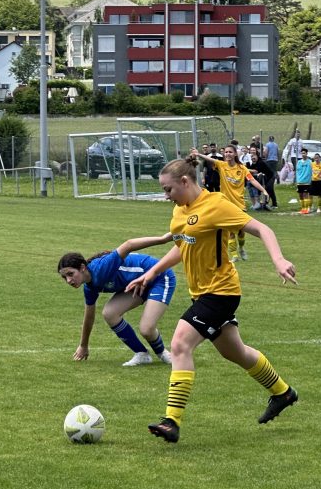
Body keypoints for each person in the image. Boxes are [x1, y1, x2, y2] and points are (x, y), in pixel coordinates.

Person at [125, 158, 298, 443]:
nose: (166, 196)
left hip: (221, 292)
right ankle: (283, 392)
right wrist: (152, 272)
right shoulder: (179, 212)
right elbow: (184, 247)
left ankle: (172, 421)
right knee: (235, 352)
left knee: (180, 343)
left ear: (185, 181)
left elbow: (263, 229)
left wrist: (278, 259)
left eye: (169, 190)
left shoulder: (216, 205)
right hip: (202, 293)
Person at [58, 234, 175, 366]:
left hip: (159, 276)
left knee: (146, 329)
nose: (68, 280)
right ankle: (142, 354)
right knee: (109, 313)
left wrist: (163, 239)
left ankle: (163, 354)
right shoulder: (89, 288)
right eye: (64, 277)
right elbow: (89, 317)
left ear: (82, 267)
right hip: (136, 284)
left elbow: (129, 245)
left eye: (70, 274)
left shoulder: (101, 268)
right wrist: (83, 345)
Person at [190, 143, 267, 261]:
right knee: (231, 231)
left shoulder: (242, 169)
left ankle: (241, 248)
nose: (227, 154)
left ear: (235, 154)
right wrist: (198, 154)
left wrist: (263, 190)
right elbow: (210, 159)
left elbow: (252, 180)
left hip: (239, 204)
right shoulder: (222, 165)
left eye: (230, 152)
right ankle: (234, 255)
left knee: (241, 231)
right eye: (226, 152)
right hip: (226, 204)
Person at [249, 144, 275, 210]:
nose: (253, 159)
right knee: (261, 189)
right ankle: (263, 204)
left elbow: (255, 171)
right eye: (252, 158)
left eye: (254, 158)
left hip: (270, 176)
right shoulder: (252, 163)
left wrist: (246, 169)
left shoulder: (260, 162)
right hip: (264, 177)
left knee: (269, 189)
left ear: (257, 157)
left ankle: (273, 204)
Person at [295, 147, 313, 213]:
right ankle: (302, 208)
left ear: (307, 154)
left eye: (304, 153)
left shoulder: (310, 162)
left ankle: (307, 208)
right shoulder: (299, 162)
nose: (303, 154)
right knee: (300, 195)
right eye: (302, 153)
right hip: (300, 181)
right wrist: (297, 180)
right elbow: (297, 171)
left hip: (307, 181)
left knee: (306, 194)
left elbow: (312, 171)